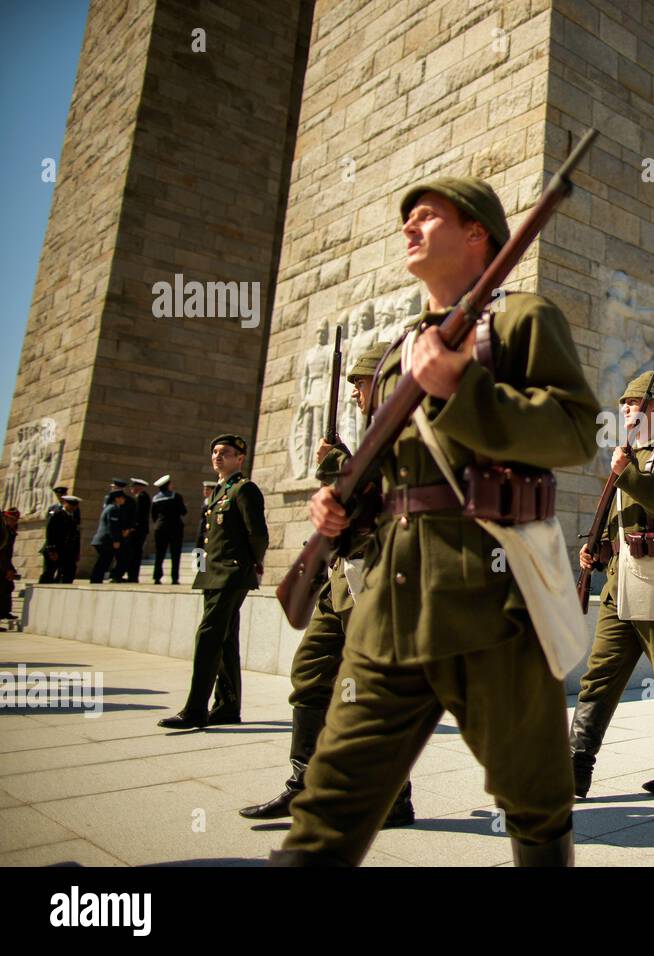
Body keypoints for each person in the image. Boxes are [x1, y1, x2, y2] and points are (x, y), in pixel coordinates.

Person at [273, 176, 599, 867]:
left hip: (491, 606)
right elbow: (390, 480)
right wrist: (341, 509)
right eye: (407, 220)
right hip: (388, 610)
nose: (409, 229)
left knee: (537, 810)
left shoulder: (521, 322)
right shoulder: (397, 354)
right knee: (327, 812)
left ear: (477, 232)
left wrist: (464, 388)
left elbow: (573, 434)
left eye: (427, 216)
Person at [239, 344, 415, 828]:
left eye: (360, 383)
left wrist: (336, 464)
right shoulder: (375, 433)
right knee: (311, 675)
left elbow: (380, 498)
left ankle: (395, 797)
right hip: (342, 578)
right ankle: (303, 784)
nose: (356, 393)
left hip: (378, 581)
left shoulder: (408, 432)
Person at [572, 371, 654, 798]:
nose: (629, 410)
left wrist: (628, 474)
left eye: (638, 405)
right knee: (599, 677)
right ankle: (576, 766)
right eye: (626, 405)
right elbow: (617, 528)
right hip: (618, 586)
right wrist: (595, 552)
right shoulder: (623, 458)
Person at [158, 435, 267, 730]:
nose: (218, 457)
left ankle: (195, 709)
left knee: (207, 637)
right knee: (226, 640)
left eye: (226, 453)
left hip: (232, 574)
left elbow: (257, 535)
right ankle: (227, 706)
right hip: (213, 575)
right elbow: (204, 539)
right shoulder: (218, 492)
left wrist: (252, 565)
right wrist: (200, 570)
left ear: (240, 458)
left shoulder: (244, 490)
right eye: (215, 452)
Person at [150, 475, 187, 584]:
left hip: (160, 528)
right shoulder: (176, 497)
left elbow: (153, 516)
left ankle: (157, 577)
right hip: (175, 528)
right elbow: (183, 511)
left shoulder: (156, 499)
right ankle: (174, 578)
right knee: (175, 554)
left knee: (159, 553)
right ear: (168, 485)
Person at [89, 489, 128, 584]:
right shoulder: (113, 509)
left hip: (102, 540)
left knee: (104, 560)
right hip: (105, 540)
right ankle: (96, 579)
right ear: (117, 499)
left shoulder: (108, 507)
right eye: (122, 498)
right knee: (104, 560)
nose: (124, 500)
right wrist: (116, 540)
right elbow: (112, 526)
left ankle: (96, 579)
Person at [39, 487, 70, 583]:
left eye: (62, 495)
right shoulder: (52, 509)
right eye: (58, 495)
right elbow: (49, 527)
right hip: (52, 545)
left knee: (61, 572)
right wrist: (50, 547)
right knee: (48, 571)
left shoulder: (71, 509)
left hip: (63, 545)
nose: (60, 497)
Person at [0, 508, 18, 621]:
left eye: (15, 520)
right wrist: (7, 569)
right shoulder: (3, 531)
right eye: (12, 519)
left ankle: (4, 612)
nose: (14, 522)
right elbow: (2, 553)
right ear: (6, 518)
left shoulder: (10, 531)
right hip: (1, 564)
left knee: (8, 587)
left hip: (5, 563)